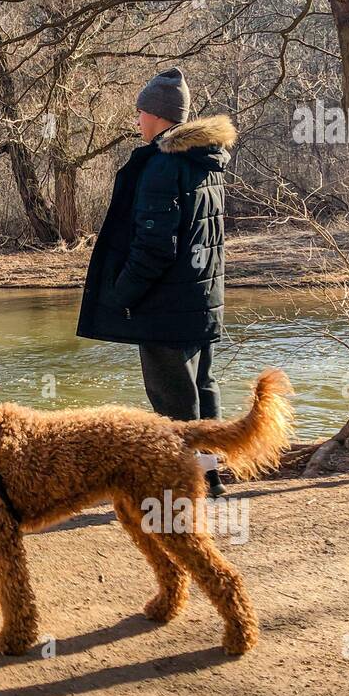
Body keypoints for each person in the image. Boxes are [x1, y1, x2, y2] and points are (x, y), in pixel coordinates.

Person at [76, 67, 235, 497]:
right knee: (202, 388)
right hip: (201, 298)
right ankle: (210, 478)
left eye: (141, 111)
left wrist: (123, 294)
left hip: (166, 306)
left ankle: (186, 488)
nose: (137, 120)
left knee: (173, 401)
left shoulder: (164, 166)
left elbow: (155, 246)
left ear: (160, 116)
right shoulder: (207, 161)